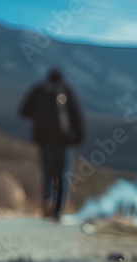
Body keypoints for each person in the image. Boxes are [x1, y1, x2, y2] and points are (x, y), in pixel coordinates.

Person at [19, 68, 85, 219]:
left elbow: (23, 111)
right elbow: (77, 116)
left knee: (48, 173)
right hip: (64, 142)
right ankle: (58, 210)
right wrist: (77, 138)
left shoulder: (38, 90)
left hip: (44, 140)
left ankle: (47, 201)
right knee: (62, 175)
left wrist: (39, 117)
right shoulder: (67, 91)